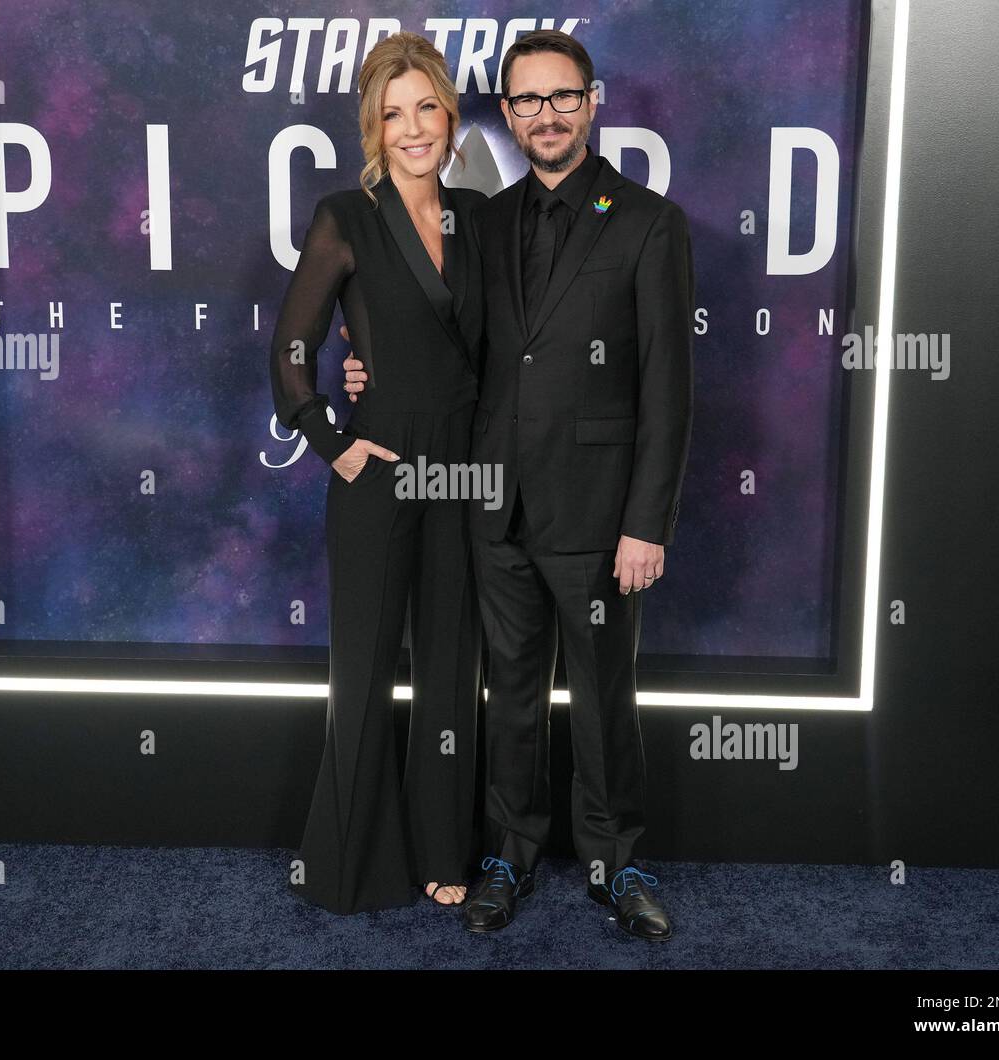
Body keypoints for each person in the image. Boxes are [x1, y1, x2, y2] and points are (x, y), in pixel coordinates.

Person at [339, 30, 696, 939]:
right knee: (510, 696)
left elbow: (667, 389)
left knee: (606, 696)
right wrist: (363, 371)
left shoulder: (649, 222)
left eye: (561, 97)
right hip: (491, 508)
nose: (545, 114)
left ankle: (617, 865)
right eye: (527, 100)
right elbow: (442, 340)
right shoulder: (480, 220)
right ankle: (508, 854)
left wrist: (646, 522)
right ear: (506, 112)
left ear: (592, 100)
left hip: (600, 516)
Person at [267, 32, 488, 914]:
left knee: (449, 667)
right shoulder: (345, 217)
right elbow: (290, 351)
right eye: (392, 114)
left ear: (449, 114)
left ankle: (443, 852)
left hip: (465, 478)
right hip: (376, 471)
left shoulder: (481, 217)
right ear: (372, 127)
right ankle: (352, 863)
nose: (412, 128)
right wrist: (336, 440)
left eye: (425, 107)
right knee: (359, 671)